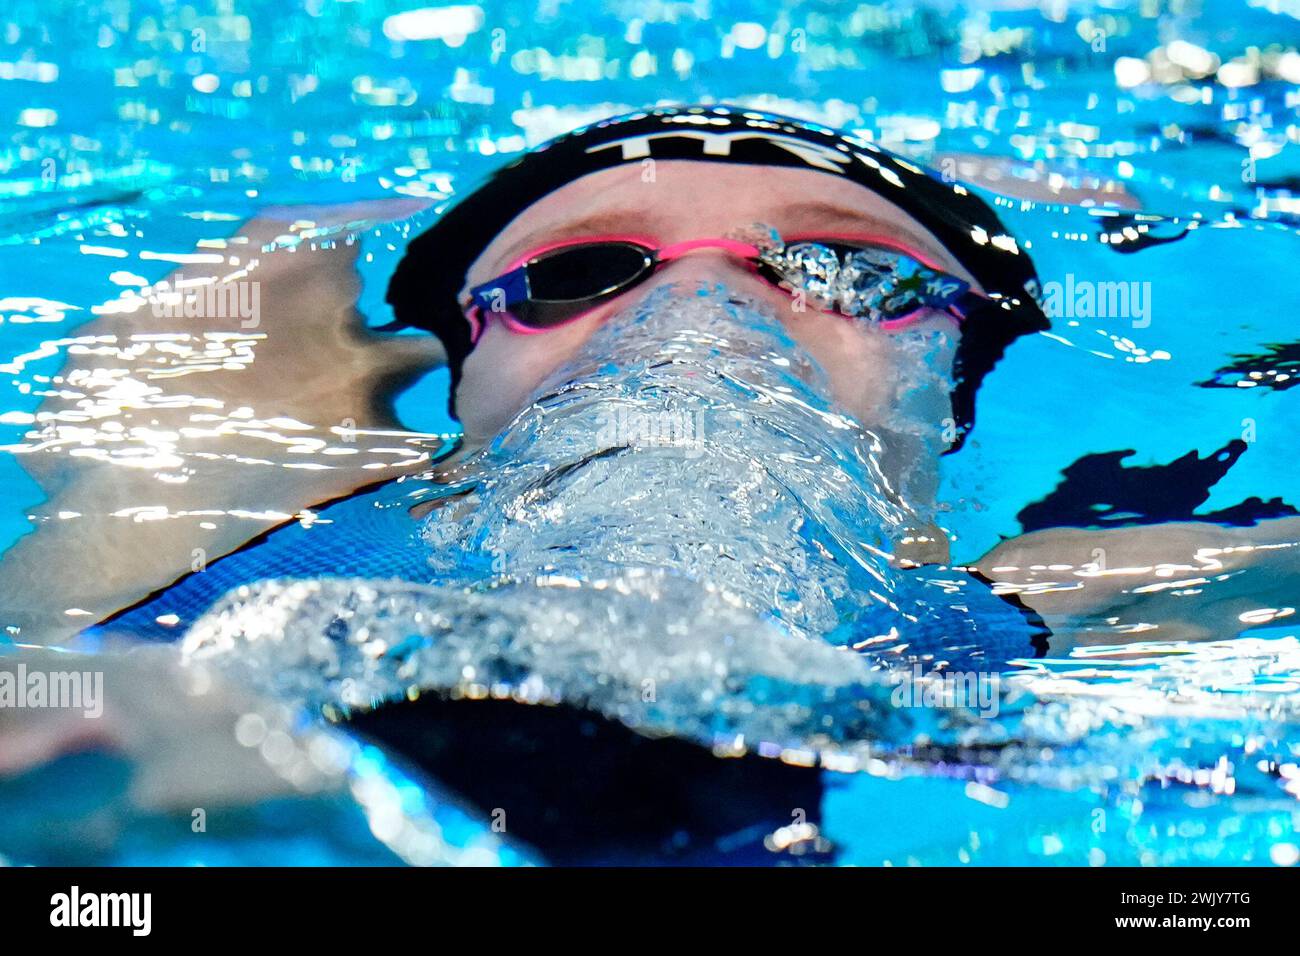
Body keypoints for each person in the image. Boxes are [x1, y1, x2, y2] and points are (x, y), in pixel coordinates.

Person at [3, 104, 1296, 653]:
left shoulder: (1074, 604)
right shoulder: (184, 546)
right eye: (584, 272)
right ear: (459, 387)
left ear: (956, 389)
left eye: (849, 271)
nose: (702, 305)